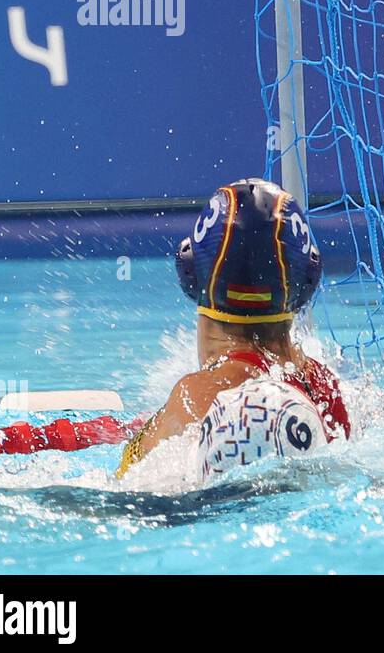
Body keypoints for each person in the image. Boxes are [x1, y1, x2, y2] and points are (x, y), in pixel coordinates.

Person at [115, 178, 351, 477]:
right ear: (307, 282)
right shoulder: (324, 384)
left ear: (189, 274)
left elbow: (131, 489)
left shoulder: (195, 394)